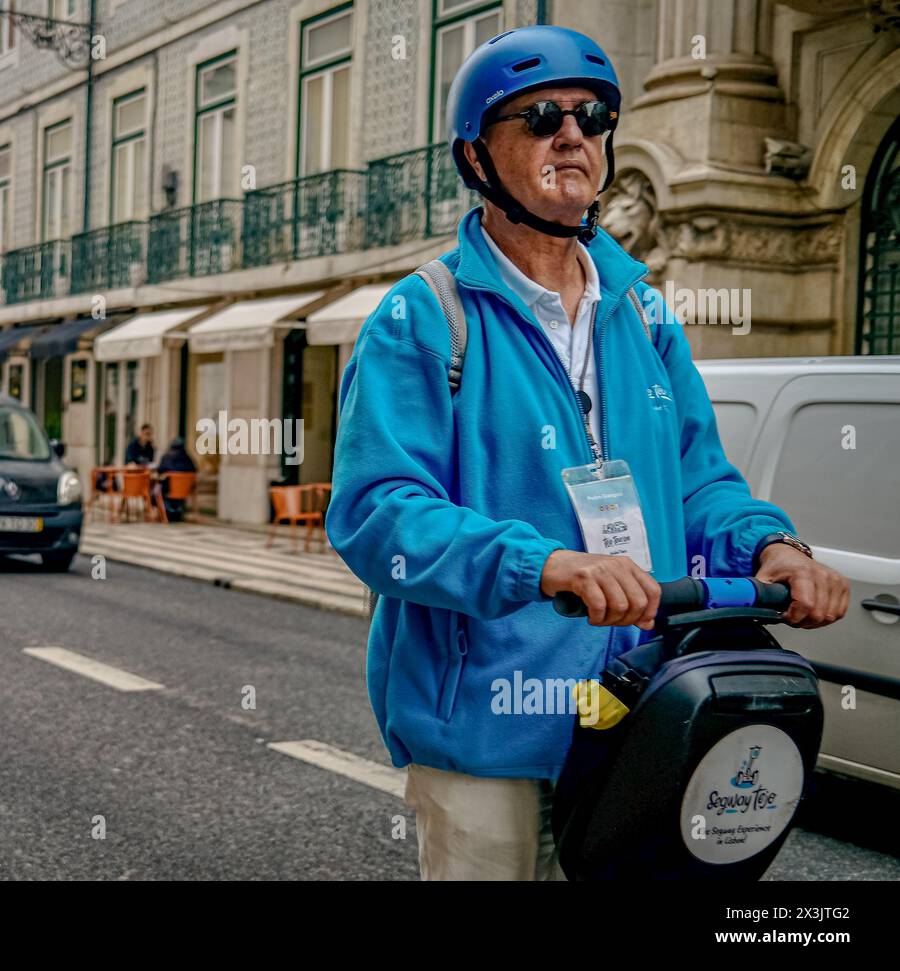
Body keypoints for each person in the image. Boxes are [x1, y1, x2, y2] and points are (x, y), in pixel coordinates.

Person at [325, 25, 849, 882]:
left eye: (593, 116)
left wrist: (773, 544)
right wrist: (545, 565)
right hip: (492, 729)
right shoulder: (424, 317)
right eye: (539, 117)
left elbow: (701, 479)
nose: (573, 135)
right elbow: (376, 513)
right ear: (476, 154)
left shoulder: (642, 313)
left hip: (640, 707)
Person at [156, 436, 197, 522]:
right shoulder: (188, 458)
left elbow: (160, 470)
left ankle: (166, 511)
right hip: (184, 491)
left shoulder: (167, 457)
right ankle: (177, 510)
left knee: (158, 488)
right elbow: (194, 469)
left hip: (169, 491)